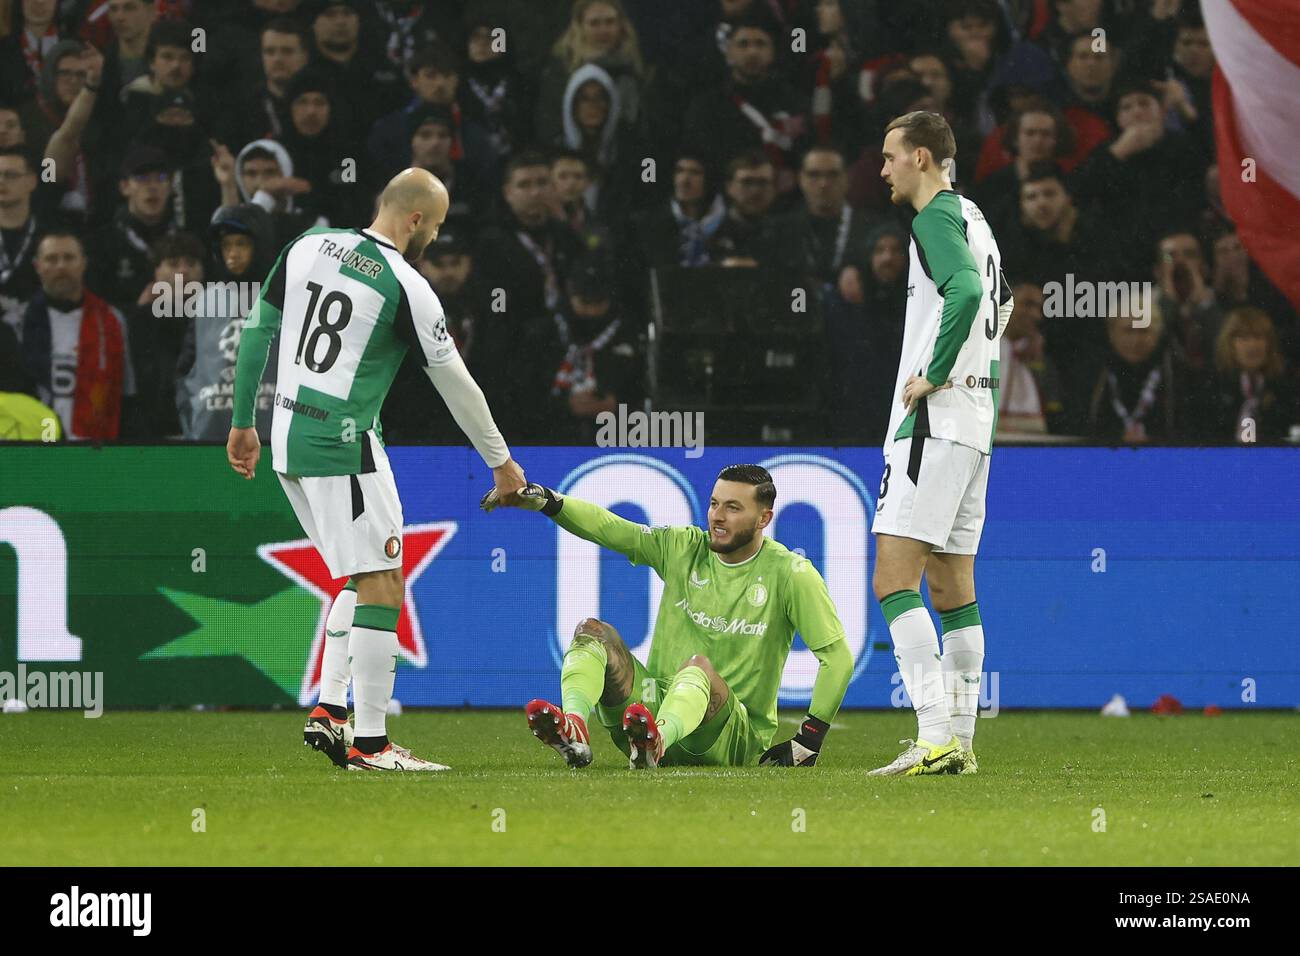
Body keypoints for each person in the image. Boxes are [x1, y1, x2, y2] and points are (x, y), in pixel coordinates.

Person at [226, 168, 527, 771]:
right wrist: (502, 462)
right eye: (435, 227)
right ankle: (371, 744)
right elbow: (458, 387)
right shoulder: (408, 286)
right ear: (415, 219)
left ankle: (330, 711)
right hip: (345, 448)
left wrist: (241, 422)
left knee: (358, 578)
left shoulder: (307, 245)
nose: (435, 240)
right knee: (384, 579)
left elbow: (260, 330)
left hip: (287, 439)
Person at [483, 464, 852, 770]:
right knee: (592, 632)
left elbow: (836, 658)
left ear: (764, 518)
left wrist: (809, 740)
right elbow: (614, 530)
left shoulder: (791, 574)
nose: (718, 517)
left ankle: (656, 743)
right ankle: (577, 728)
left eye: (733, 508)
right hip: (644, 720)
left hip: (730, 736)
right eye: (714, 503)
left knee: (697, 669)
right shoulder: (683, 547)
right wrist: (550, 502)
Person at [870, 110, 1012, 776]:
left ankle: (933, 734)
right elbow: (1002, 301)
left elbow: (967, 290)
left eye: (890, 156)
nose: (883, 169)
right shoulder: (974, 216)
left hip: (930, 425)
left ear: (921, 157)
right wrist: (978, 374)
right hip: (975, 424)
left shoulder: (930, 221)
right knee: (953, 586)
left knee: (893, 581)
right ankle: (959, 741)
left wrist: (935, 371)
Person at [21, 228, 138, 440]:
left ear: (83, 263)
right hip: (36, 444)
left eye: (68, 258)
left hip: (95, 448)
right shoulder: (19, 323)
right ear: (37, 266)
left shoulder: (111, 320)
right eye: (51, 259)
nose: (61, 266)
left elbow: (126, 392)